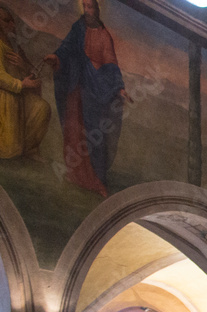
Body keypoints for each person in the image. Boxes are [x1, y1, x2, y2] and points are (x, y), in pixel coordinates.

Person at [44, 0, 128, 197]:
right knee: (74, 131)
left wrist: (119, 88)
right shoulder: (78, 28)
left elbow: (111, 64)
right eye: (85, 6)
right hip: (77, 85)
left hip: (96, 90)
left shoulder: (104, 35)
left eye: (90, 7)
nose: (87, 11)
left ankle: (97, 181)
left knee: (95, 134)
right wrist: (56, 58)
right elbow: (66, 48)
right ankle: (76, 175)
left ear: (97, 9)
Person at [0, 7, 50, 159]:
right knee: (10, 151)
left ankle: (30, 149)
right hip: (4, 97)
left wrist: (24, 66)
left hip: (20, 96)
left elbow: (31, 71)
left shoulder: (14, 45)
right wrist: (21, 85)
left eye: (12, 21)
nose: (12, 25)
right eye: (6, 21)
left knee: (42, 108)